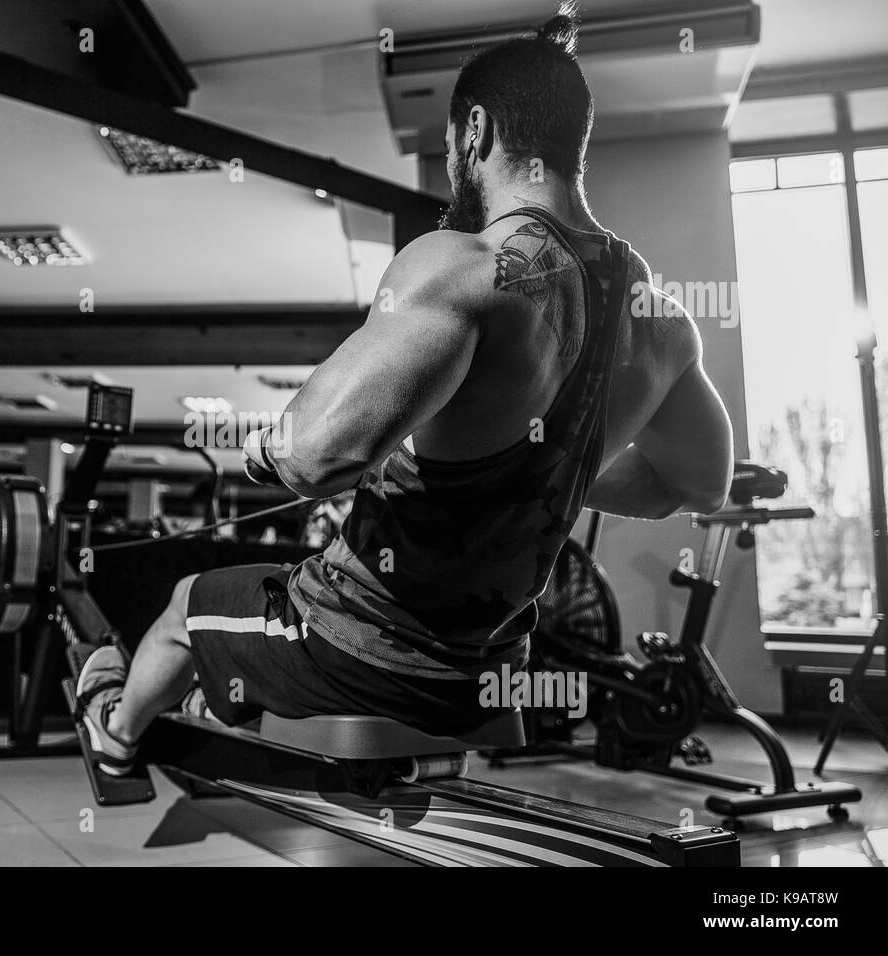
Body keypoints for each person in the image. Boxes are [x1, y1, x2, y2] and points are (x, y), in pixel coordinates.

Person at [75, 4, 734, 774]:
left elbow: (318, 456)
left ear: (477, 131)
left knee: (187, 605)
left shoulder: (462, 266)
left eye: (455, 144)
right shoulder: (659, 320)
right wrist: (548, 468)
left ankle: (113, 735)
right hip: (488, 676)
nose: (457, 161)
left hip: (356, 654)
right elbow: (697, 484)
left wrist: (262, 450)